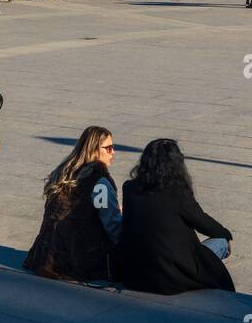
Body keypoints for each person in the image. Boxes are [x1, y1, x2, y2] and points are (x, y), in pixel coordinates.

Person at [115, 138, 234, 294]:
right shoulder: (177, 193)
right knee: (221, 242)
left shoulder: (130, 188)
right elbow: (203, 222)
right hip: (172, 277)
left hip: (137, 274)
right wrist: (226, 234)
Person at [24, 126, 122, 283]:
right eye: (108, 148)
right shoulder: (100, 182)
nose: (113, 152)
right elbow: (113, 226)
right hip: (76, 258)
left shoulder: (64, 171)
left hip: (44, 255)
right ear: (94, 150)